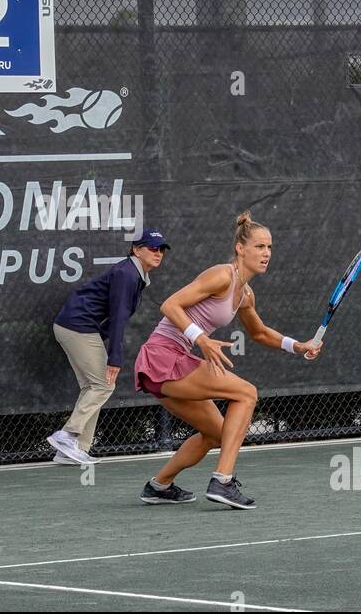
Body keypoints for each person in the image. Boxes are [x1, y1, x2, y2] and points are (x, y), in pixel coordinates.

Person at [133, 211, 321, 508]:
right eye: (259, 246)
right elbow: (170, 305)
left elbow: (259, 333)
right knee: (246, 393)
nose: (266, 253)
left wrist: (298, 346)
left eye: (269, 247)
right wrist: (202, 339)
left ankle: (159, 485)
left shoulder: (245, 294)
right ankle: (223, 481)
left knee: (217, 434)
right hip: (163, 357)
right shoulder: (221, 275)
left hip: (169, 363)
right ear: (240, 248)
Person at [46, 229, 169, 465]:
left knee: (92, 387)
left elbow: (113, 316)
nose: (158, 253)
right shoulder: (128, 274)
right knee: (103, 384)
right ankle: (67, 435)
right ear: (136, 249)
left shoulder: (135, 273)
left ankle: (74, 449)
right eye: (152, 248)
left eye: (161, 249)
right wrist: (115, 357)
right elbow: (118, 318)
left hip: (76, 326)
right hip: (77, 327)